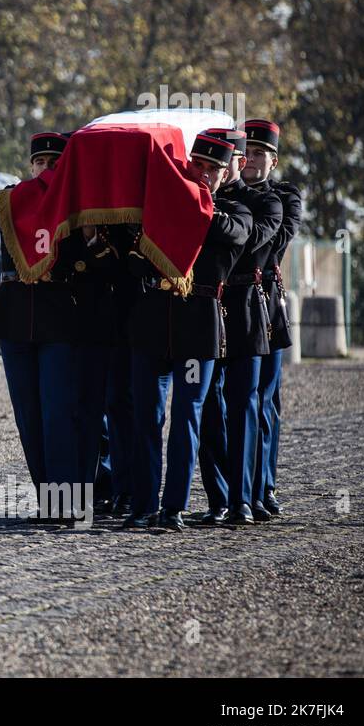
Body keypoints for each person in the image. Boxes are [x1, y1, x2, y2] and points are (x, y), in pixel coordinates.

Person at [128, 134, 252, 530]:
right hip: (153, 322)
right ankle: (144, 503)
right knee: (145, 415)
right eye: (197, 165)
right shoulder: (162, 204)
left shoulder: (236, 213)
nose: (204, 174)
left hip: (198, 328)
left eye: (213, 169)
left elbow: (227, 232)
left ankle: (173, 507)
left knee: (187, 416)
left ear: (226, 172)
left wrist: (182, 198)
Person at [0, 133, 81, 504]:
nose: (45, 170)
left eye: (53, 164)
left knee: (57, 409)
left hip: (58, 313)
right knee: (28, 412)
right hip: (16, 314)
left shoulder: (76, 205)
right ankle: (47, 496)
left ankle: (68, 499)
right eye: (39, 163)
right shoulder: (13, 198)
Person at [196, 127, 282, 526]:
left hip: (246, 308)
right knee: (210, 406)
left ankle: (243, 498)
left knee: (245, 405)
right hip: (208, 307)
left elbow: (247, 244)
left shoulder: (267, 203)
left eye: (224, 160)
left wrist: (208, 212)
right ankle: (217, 498)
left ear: (239, 162)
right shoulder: (199, 199)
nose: (216, 168)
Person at [242, 119, 301, 516]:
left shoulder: (284, 197)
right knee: (235, 403)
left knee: (265, 402)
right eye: (247, 150)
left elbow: (275, 240)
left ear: (273, 160)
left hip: (265, 305)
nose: (252, 158)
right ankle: (238, 492)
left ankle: (265, 485)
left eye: (261, 152)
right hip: (232, 305)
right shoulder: (225, 194)